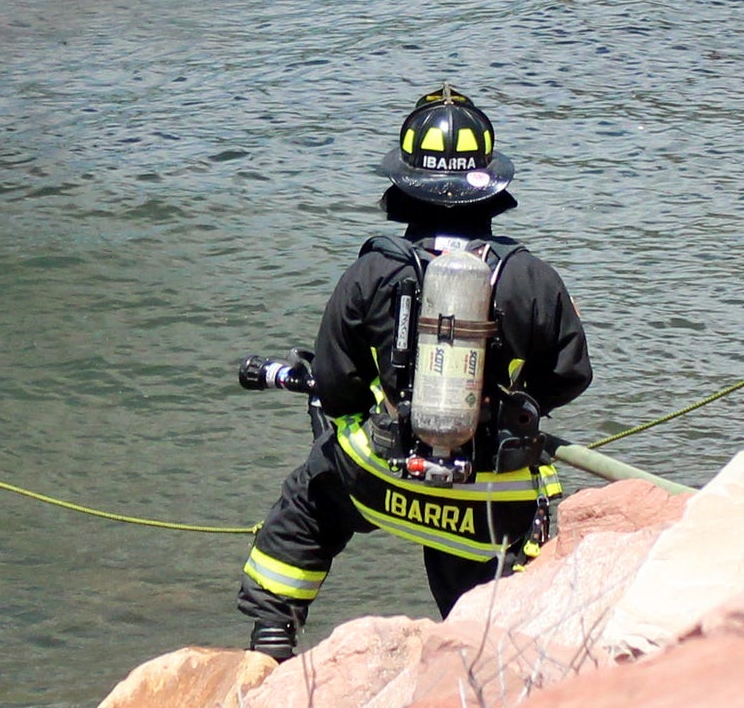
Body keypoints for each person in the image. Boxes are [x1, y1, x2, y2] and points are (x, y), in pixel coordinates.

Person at [238, 88, 593, 660]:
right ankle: (480, 661)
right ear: (491, 188)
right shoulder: (533, 278)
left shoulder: (372, 271)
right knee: (480, 602)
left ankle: (271, 640)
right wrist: (512, 409)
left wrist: (385, 409)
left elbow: (335, 385)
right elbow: (572, 375)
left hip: (383, 479)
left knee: (308, 504)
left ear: (403, 188)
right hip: (489, 501)